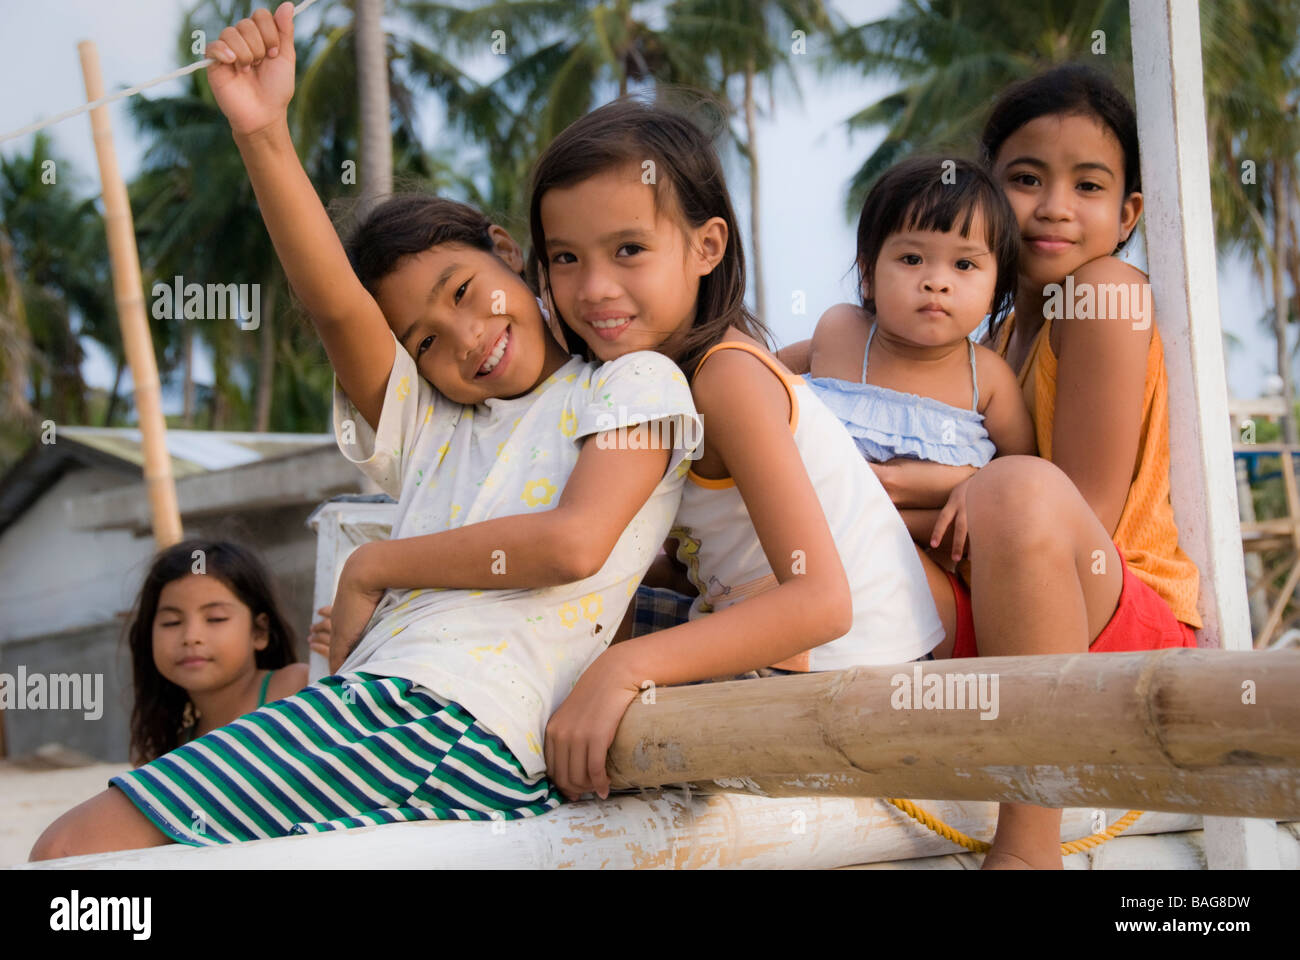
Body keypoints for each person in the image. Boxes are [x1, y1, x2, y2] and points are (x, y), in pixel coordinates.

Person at [30, 3, 699, 860]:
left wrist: (374, 565)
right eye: (422, 341)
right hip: (385, 712)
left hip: (446, 717)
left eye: (464, 290)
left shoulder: (631, 383)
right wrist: (264, 129)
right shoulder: (434, 424)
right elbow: (333, 302)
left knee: (74, 854)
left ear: (505, 249)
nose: (464, 339)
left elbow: (574, 544)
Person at [526, 96, 947, 803]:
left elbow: (821, 602)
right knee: (538, 638)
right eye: (565, 258)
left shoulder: (726, 376)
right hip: (777, 645)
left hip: (846, 670)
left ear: (706, 247)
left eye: (628, 249)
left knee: (559, 684)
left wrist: (621, 668)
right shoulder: (643, 387)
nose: (594, 288)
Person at [802, 155, 1035, 656]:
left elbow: (1024, 475)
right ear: (868, 273)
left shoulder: (987, 379)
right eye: (911, 260)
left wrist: (974, 484)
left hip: (922, 582)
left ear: (997, 285)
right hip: (805, 556)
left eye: (965, 264)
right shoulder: (841, 334)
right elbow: (753, 381)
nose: (936, 281)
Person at [125, 539, 312, 765]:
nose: (191, 637)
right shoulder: (167, 755)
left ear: (259, 631)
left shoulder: (299, 688)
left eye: (216, 618)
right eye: (171, 622)